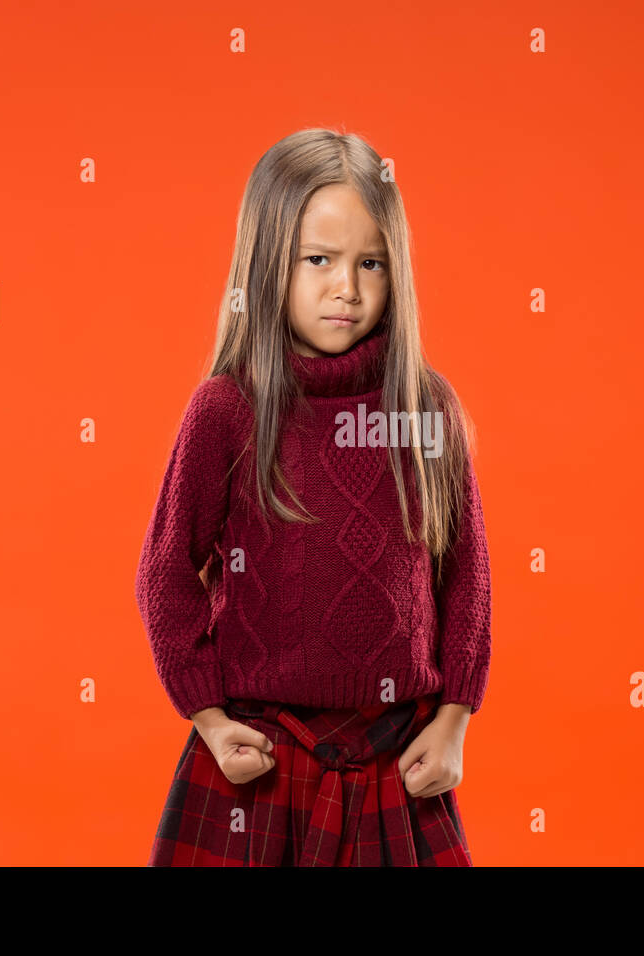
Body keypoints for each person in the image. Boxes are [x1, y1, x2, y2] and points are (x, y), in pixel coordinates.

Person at [134, 127, 492, 866]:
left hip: (398, 759)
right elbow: (164, 572)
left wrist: (454, 721)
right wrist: (206, 714)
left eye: (372, 264)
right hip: (260, 766)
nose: (348, 289)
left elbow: (468, 579)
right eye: (319, 261)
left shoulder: (425, 409)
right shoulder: (228, 411)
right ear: (267, 267)